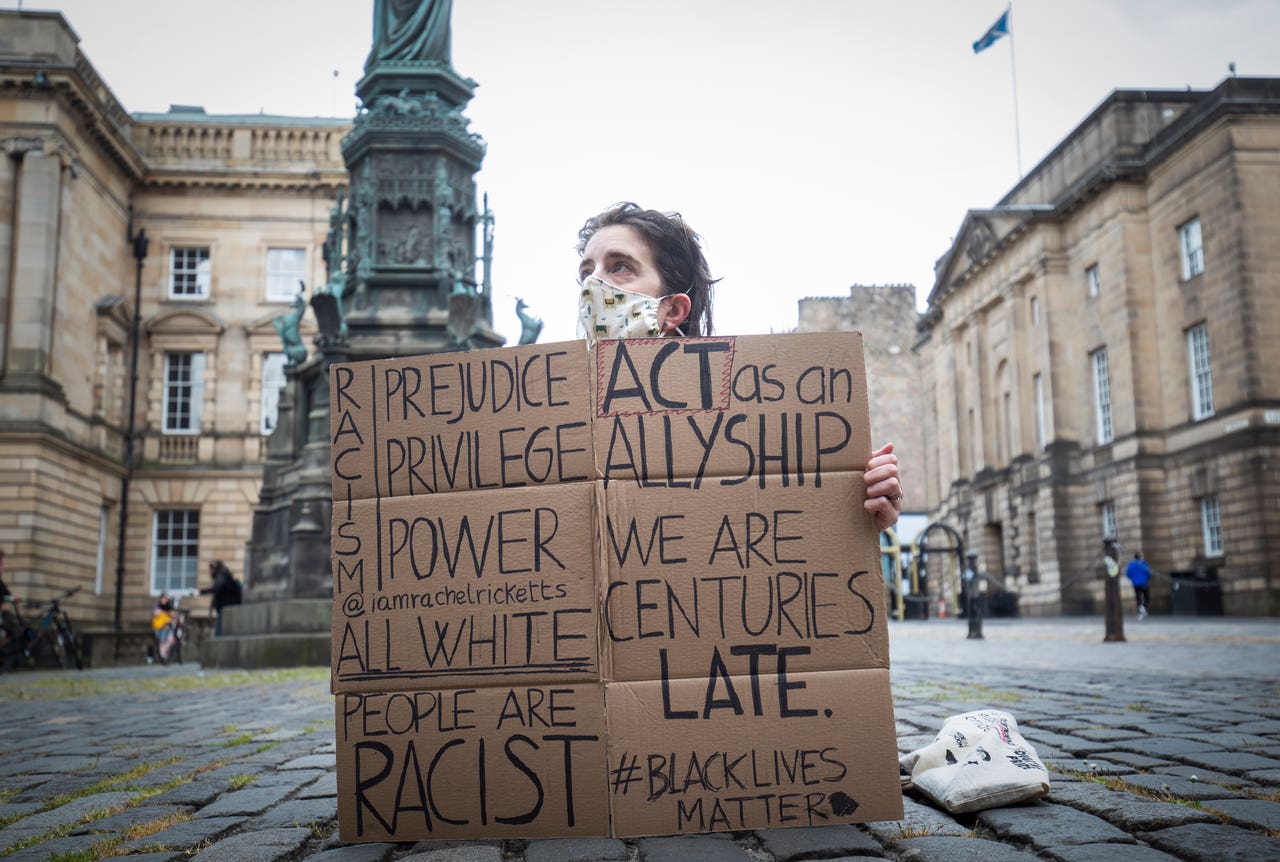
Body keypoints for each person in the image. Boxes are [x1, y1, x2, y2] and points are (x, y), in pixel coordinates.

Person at [576, 202, 903, 531]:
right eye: (586, 273)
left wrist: (855, 508)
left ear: (673, 309)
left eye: (619, 267)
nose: (593, 285)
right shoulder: (559, 422)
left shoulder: (755, 417)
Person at [200, 561, 243, 636]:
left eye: (211, 569)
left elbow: (216, 589)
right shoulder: (225, 575)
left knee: (220, 631)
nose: (210, 572)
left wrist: (202, 592)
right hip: (228, 607)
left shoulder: (221, 576)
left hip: (225, 607)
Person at [151, 592, 177, 662]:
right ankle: (162, 654)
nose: (164, 600)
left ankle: (165, 652)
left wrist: (170, 614)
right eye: (163, 598)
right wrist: (166, 613)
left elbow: (174, 615)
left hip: (167, 627)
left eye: (166, 599)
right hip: (159, 627)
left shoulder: (170, 607)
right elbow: (156, 613)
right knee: (162, 640)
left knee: (170, 639)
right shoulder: (157, 606)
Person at [1126, 551, 1152, 620]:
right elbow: (1149, 573)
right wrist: (1146, 578)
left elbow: (1128, 574)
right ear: (1140, 557)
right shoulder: (1144, 564)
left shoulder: (1131, 565)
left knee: (1138, 598)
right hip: (1144, 583)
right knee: (1147, 598)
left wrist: (1133, 579)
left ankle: (1140, 612)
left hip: (1135, 584)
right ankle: (1143, 608)